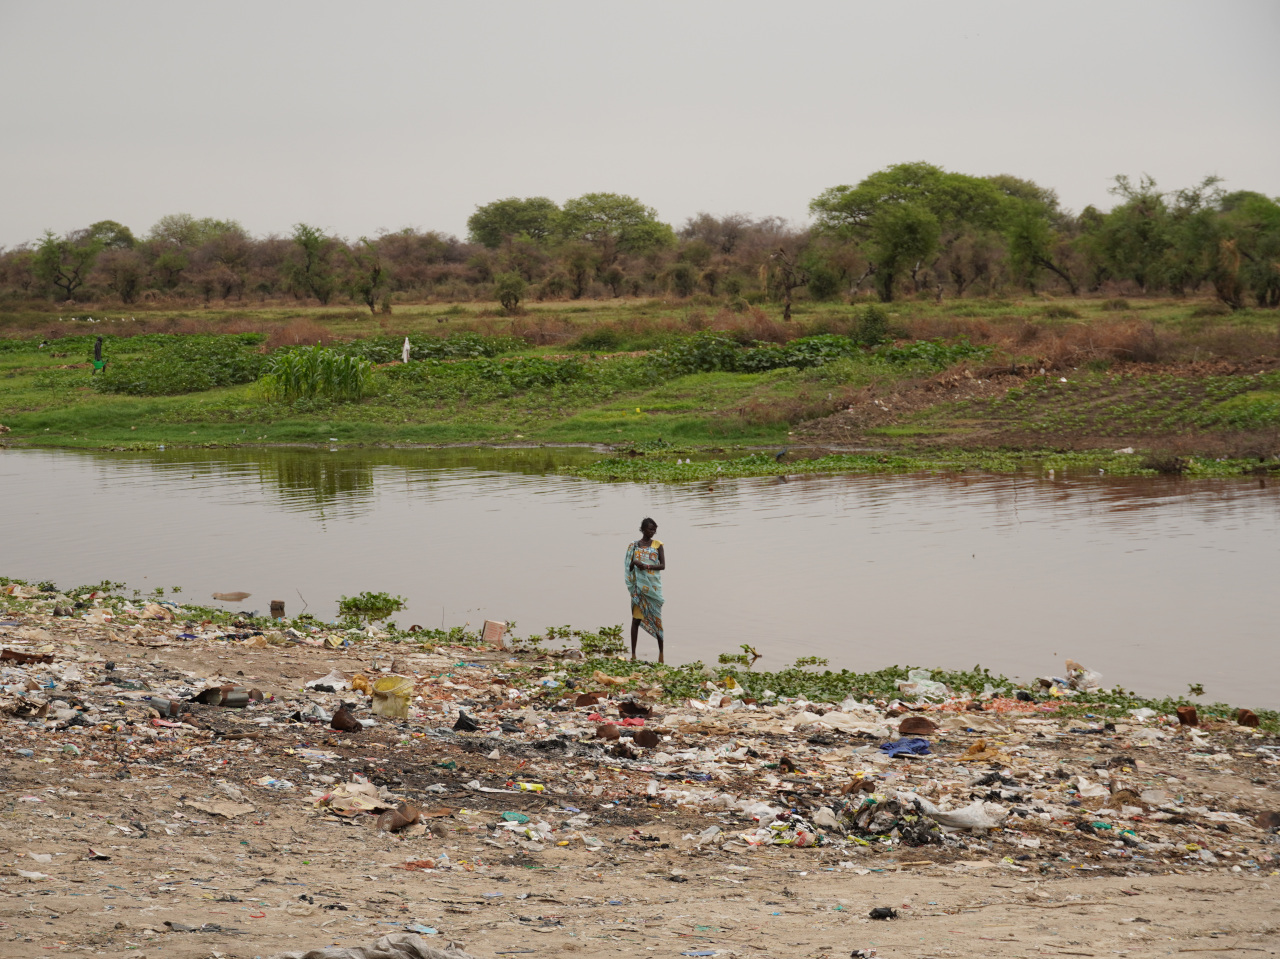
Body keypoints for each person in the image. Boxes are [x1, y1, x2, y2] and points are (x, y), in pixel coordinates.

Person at [624, 517, 665, 662]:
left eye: (655, 529)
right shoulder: (633, 546)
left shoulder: (658, 545)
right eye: (650, 529)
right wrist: (635, 563)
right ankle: (633, 653)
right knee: (636, 620)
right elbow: (628, 568)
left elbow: (662, 566)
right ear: (642, 530)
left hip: (653, 589)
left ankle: (661, 654)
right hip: (639, 589)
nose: (653, 532)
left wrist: (646, 566)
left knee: (657, 620)